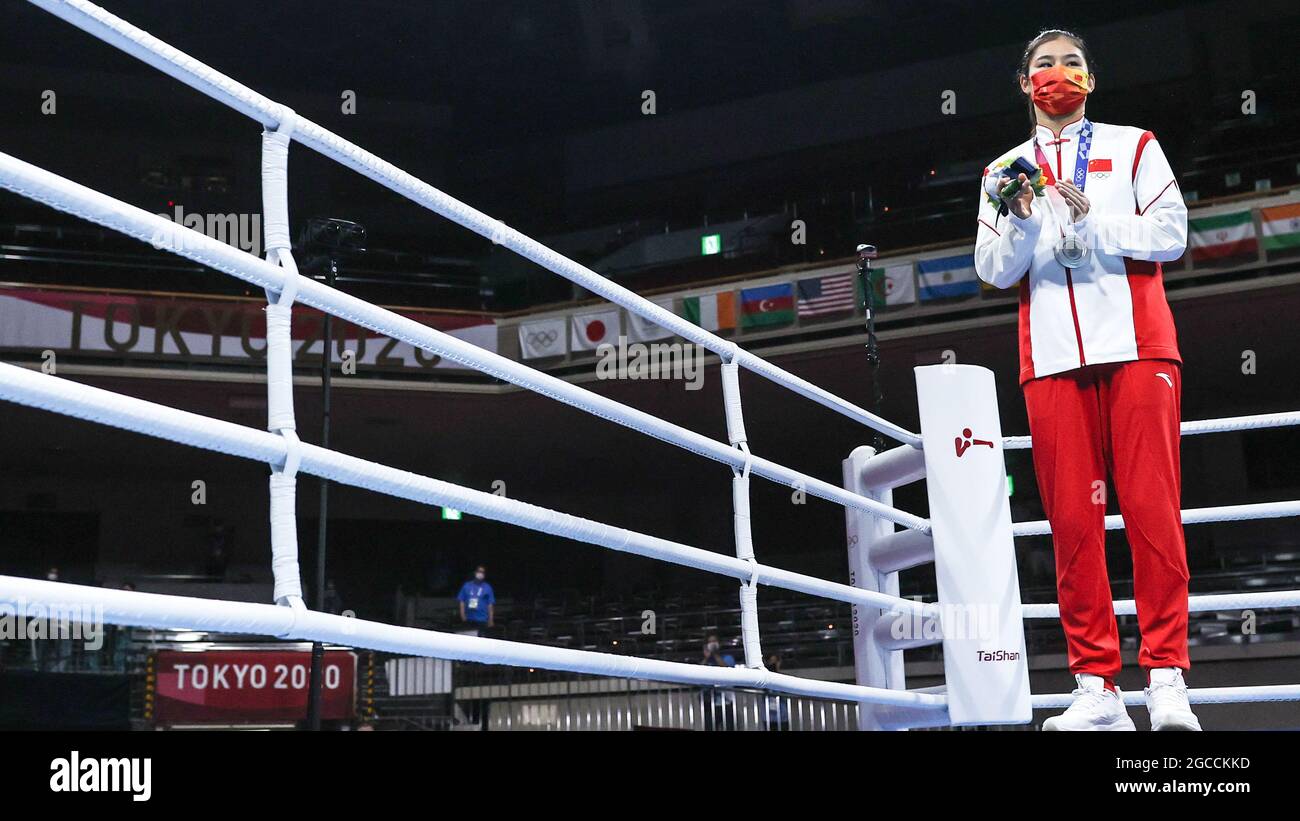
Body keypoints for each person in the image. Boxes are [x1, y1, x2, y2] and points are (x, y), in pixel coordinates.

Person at [975, 29, 1197, 731]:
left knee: (1152, 511)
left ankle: (1166, 677)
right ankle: (1097, 686)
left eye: (1071, 62)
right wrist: (1019, 226)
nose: (1058, 73)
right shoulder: (1002, 171)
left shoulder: (1134, 145)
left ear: (1091, 81)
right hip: (1049, 357)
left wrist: (1093, 219)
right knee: (1072, 523)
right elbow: (991, 270)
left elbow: (1173, 232)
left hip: (1137, 345)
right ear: (1023, 83)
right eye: (1043, 63)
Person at [456, 565, 495, 635]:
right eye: (479, 571)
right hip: (469, 618)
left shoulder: (487, 587)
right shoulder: (467, 585)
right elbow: (461, 601)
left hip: (482, 619)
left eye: (483, 572)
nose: (480, 574)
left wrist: (491, 619)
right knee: (469, 639)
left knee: (481, 639)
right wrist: (462, 615)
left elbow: (490, 604)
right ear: (475, 573)